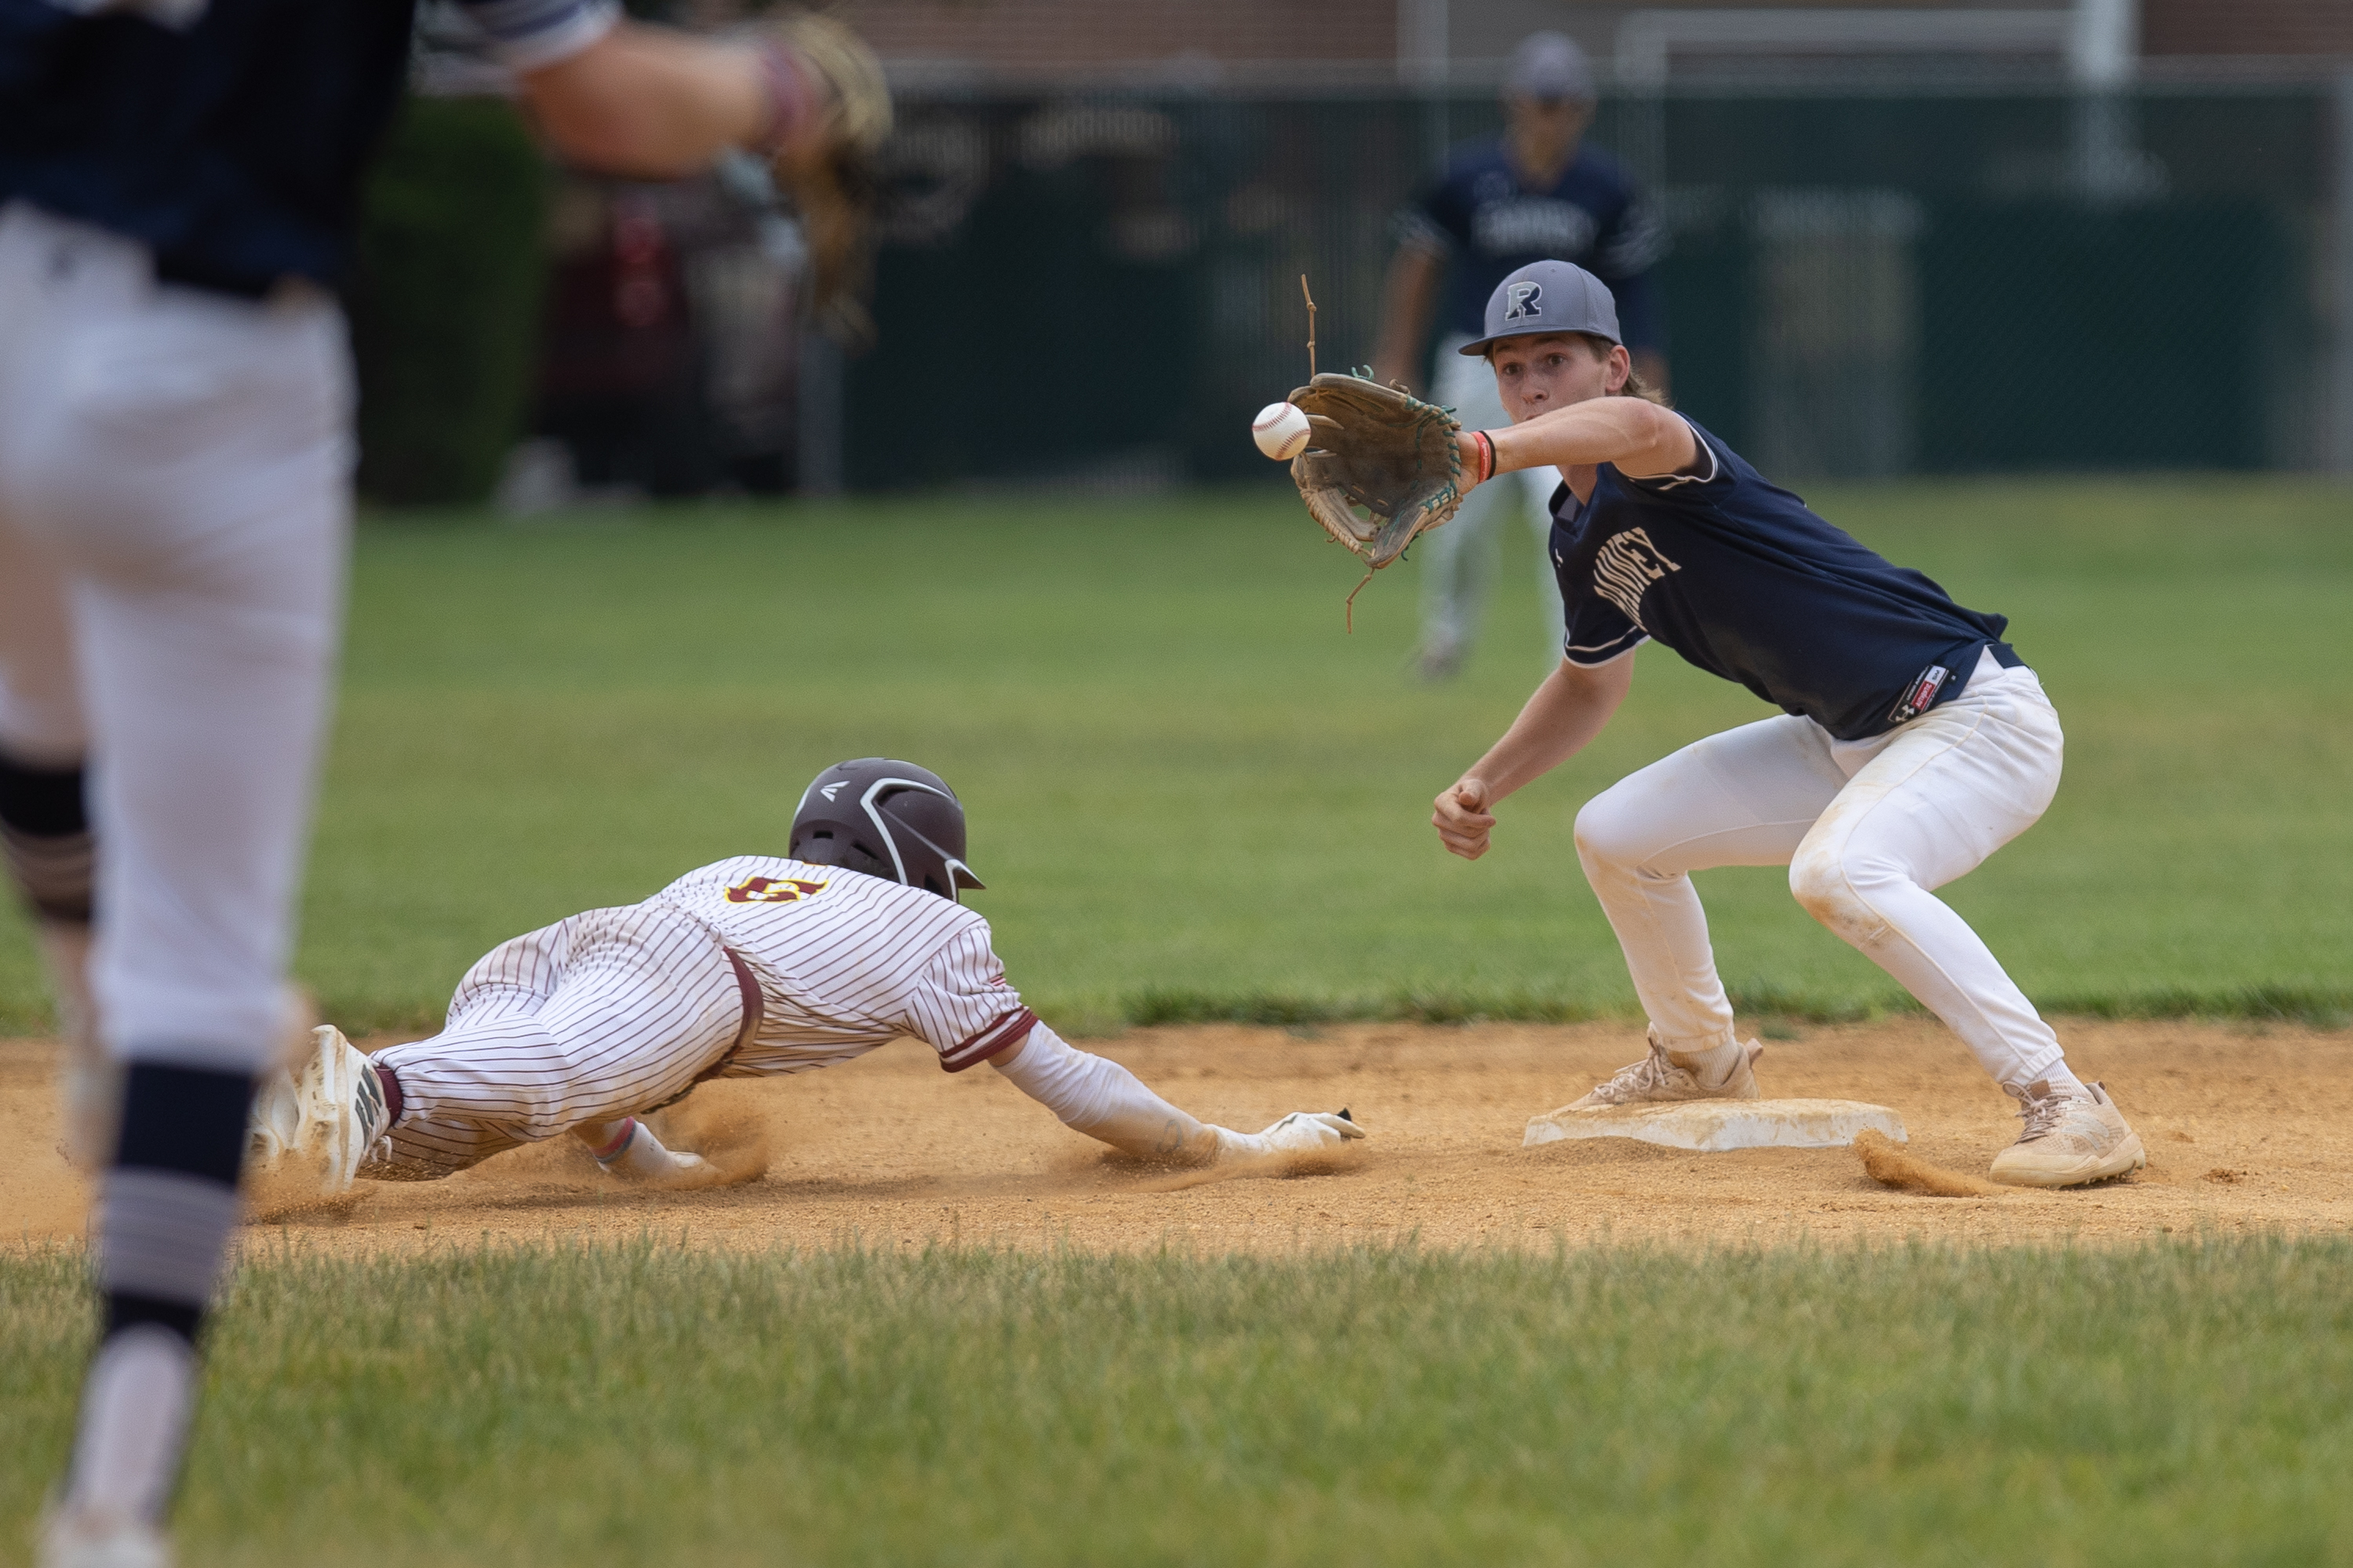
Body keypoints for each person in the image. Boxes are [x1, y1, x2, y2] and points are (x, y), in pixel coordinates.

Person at [0, 3, 887, 1563]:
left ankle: (90, 996)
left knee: (41, 717)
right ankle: (112, 1510)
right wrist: (781, 90)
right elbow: (602, 103)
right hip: (219, 368)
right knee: (207, 976)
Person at [1426, 259, 2145, 1189]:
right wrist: (1484, 779)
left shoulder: (1660, 452)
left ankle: (2065, 1101)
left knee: (1838, 871)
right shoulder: (1576, 529)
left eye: (1554, 360)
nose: (1530, 386)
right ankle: (1696, 1061)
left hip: (1971, 718)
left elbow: (1635, 427)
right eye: (1511, 367)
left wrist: (1482, 452)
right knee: (1615, 834)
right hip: (1847, 739)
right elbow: (1588, 684)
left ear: (1613, 366)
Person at [252, 760, 1365, 1191]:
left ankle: (237, 1140)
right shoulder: (928, 927)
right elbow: (1071, 1083)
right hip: (691, 978)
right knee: (500, 1078)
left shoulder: (736, 872)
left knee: (434, 1137)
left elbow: (606, 1066)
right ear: (921, 861)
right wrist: (1233, 1145)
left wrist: (657, 1167)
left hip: (574, 944)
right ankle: (325, 1074)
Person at [1369, 31, 1667, 681]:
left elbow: (1633, 292)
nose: (1552, 115)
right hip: (1477, 364)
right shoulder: (1465, 177)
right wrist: (1396, 355)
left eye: (1564, 102)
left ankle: (1577, 648)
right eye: (1542, 100)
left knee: (1564, 501)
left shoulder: (1607, 188)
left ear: (1583, 108)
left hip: (1568, 372)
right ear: (1515, 101)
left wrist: (1645, 380)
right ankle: (1445, 638)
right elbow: (1418, 266)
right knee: (1454, 509)